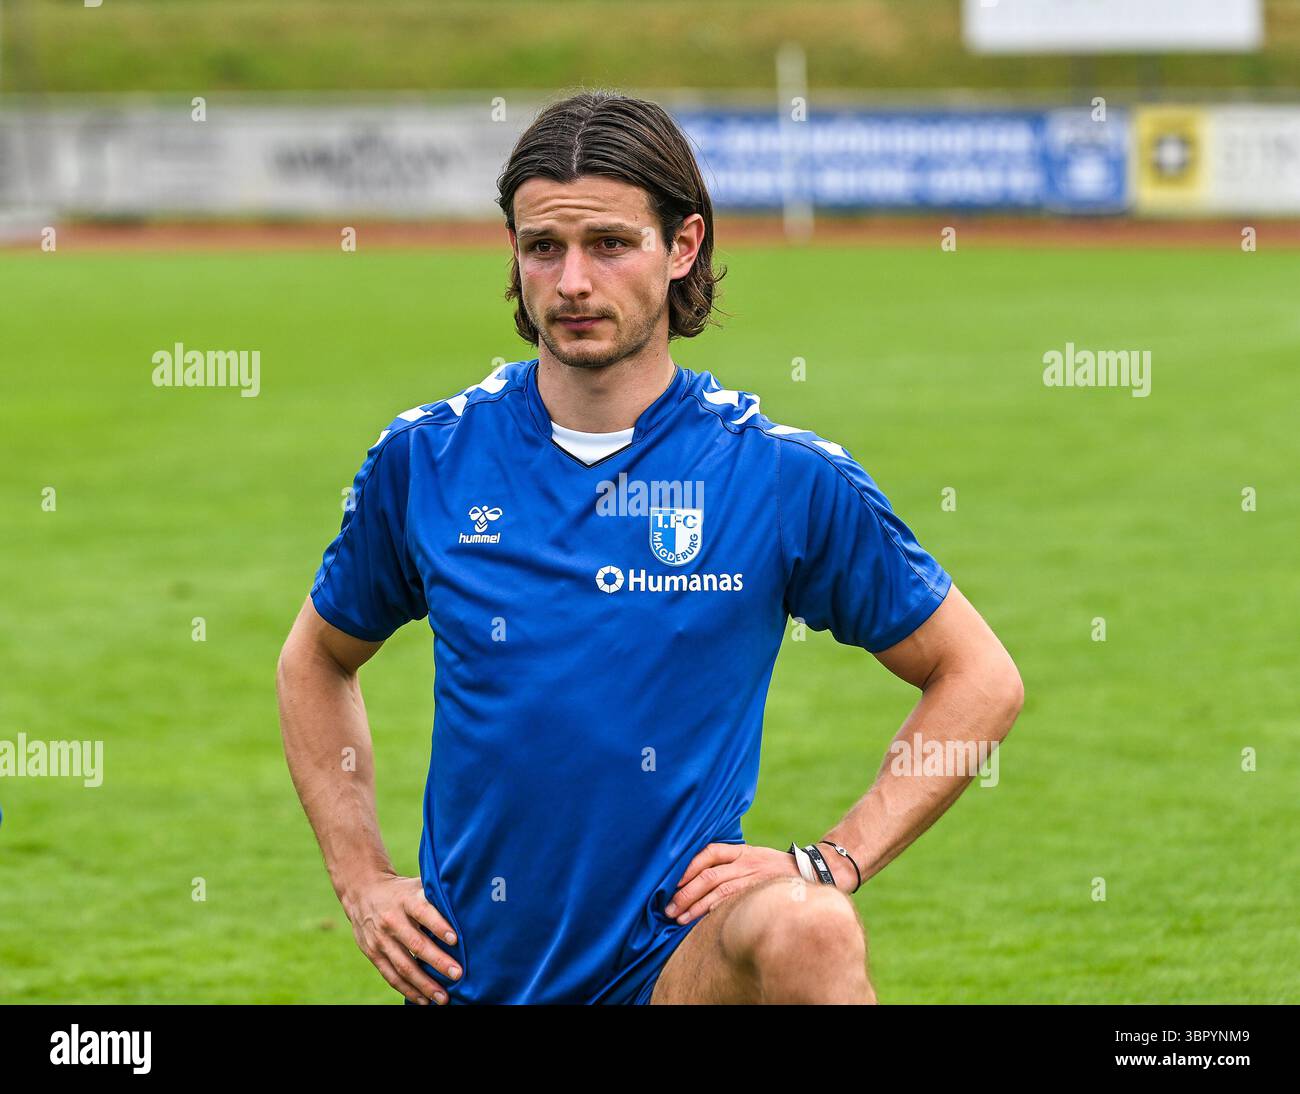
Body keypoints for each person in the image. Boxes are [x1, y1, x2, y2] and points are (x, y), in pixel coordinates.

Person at [275, 89, 1024, 1005]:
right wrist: (363, 880)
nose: (573, 283)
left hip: (676, 967)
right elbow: (316, 659)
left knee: (809, 924)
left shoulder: (776, 477)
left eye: (610, 244)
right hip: (476, 974)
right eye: (542, 248)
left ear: (684, 247)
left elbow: (979, 678)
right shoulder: (429, 459)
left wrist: (835, 858)